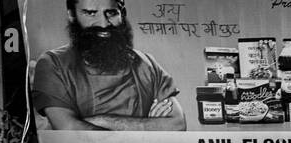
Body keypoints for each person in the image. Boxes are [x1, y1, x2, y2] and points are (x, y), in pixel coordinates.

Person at [32, 0, 187, 132]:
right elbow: (70, 131)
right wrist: (148, 126)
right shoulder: (53, 64)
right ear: (72, 15)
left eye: (111, 13)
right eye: (91, 13)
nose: (104, 24)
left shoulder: (147, 65)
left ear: (122, 14)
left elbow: (177, 124)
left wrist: (99, 122)